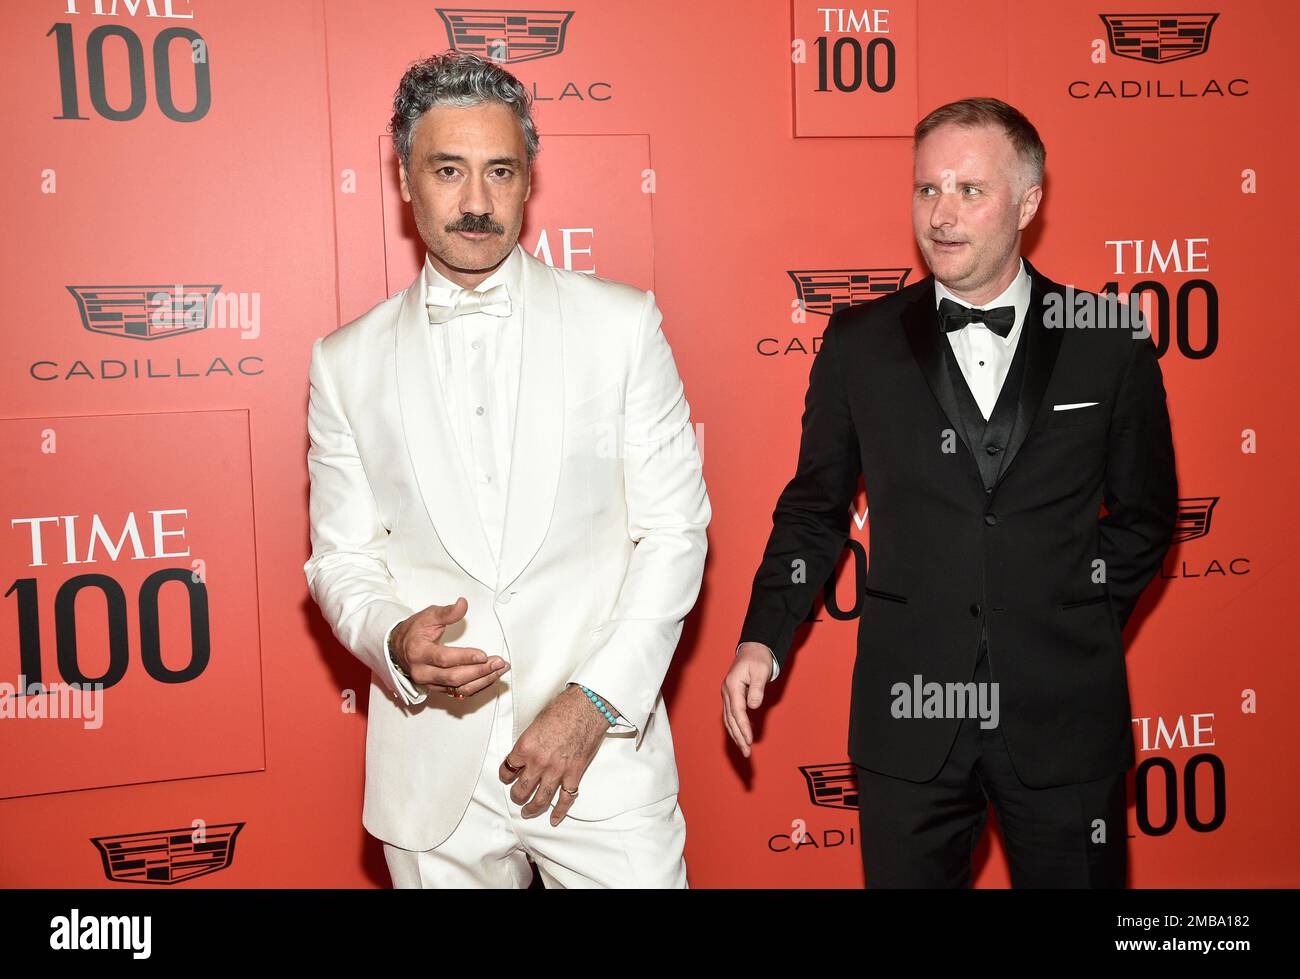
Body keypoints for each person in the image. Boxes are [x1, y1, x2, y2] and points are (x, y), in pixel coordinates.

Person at [723, 97, 1177, 887]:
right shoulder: (860, 343)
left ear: (1028, 203)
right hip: (909, 720)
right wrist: (763, 634)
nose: (942, 213)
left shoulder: (1110, 339)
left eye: (971, 190)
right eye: (927, 189)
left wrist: (1076, 610)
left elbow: (1144, 517)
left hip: (1063, 714)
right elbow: (816, 507)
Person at [304, 51, 709, 888]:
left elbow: (675, 531)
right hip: (431, 778)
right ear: (405, 181)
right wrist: (390, 637)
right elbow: (340, 558)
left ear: (530, 180)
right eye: (448, 171)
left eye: (501, 172)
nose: (478, 203)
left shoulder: (622, 326)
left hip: (604, 763)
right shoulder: (344, 363)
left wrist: (594, 702)